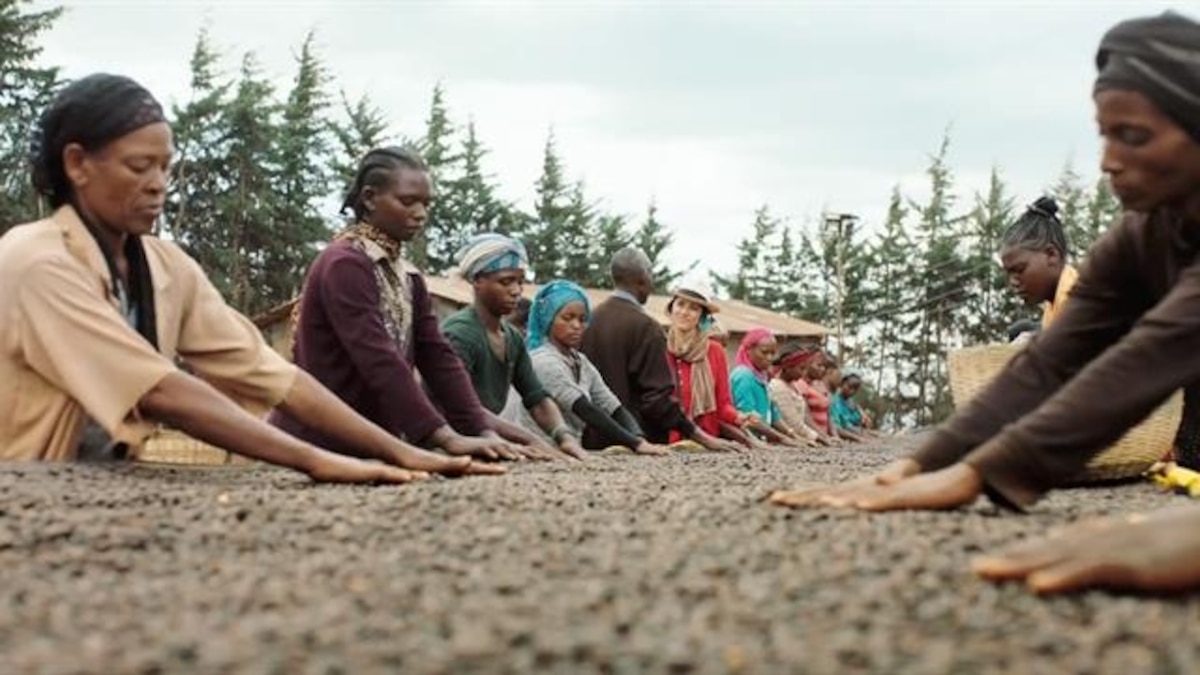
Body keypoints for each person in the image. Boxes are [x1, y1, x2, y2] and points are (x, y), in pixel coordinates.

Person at [772, 11, 1200, 594]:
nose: (1106, 161)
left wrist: (987, 470)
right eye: (1105, 134)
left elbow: (1148, 358)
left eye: (1135, 136)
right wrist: (924, 464)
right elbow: (1050, 361)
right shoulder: (1144, 235)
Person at [0, 73, 497, 483]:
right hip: (27, 481)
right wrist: (316, 459)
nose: (157, 184)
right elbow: (158, 388)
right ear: (77, 164)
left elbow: (269, 373)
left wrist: (400, 449)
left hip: (101, 478)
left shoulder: (165, 267)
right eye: (138, 166)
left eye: (165, 167)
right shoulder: (37, 262)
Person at [270, 147, 526, 462]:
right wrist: (443, 436)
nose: (420, 213)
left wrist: (482, 430)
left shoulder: (406, 274)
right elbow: (377, 357)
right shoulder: (344, 264)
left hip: (373, 440)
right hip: (319, 441)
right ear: (368, 198)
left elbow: (437, 355)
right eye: (407, 201)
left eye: (426, 203)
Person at [441, 234, 587, 461]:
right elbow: (463, 407)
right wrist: (531, 440)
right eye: (505, 281)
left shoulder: (511, 338)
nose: (516, 291)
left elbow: (536, 397)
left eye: (520, 281)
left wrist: (564, 436)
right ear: (477, 280)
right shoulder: (460, 334)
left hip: (486, 440)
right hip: (448, 443)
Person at [580, 248, 740, 452]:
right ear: (642, 278)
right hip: (640, 444)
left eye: (694, 308)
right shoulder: (648, 329)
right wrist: (701, 437)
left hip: (593, 441)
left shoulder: (589, 320)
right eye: (651, 274)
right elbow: (657, 400)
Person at [526, 280, 669, 455]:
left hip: (571, 451)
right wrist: (636, 444)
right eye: (567, 318)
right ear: (548, 319)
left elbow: (612, 407)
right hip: (540, 450)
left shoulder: (580, 361)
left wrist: (638, 435)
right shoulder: (543, 362)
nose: (577, 326)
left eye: (582, 319)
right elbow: (586, 410)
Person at [663, 281, 765, 448]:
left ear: (702, 317)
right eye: (680, 304)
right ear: (671, 308)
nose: (684, 312)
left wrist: (739, 417)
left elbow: (722, 405)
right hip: (666, 443)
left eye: (693, 308)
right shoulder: (659, 349)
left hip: (707, 445)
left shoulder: (715, 352)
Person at [999, 196, 1077, 329]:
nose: (1013, 282)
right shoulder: (1055, 302)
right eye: (1009, 274)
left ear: (1051, 255)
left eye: (1019, 270)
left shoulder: (1074, 303)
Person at [729, 328, 810, 447]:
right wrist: (782, 439)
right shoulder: (743, 376)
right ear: (748, 350)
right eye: (764, 352)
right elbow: (748, 418)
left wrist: (793, 436)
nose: (769, 358)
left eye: (773, 353)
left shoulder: (761, 377)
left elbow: (774, 415)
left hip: (761, 439)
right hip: (747, 440)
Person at [768, 343, 826, 446]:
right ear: (787, 367)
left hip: (798, 438)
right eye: (801, 369)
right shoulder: (778, 387)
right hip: (788, 440)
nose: (803, 373)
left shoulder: (792, 386)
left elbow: (801, 420)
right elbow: (793, 423)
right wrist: (819, 438)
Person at [830, 372, 874, 436]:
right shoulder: (834, 400)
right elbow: (840, 424)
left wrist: (864, 419)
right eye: (849, 387)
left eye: (855, 389)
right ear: (843, 383)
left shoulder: (851, 403)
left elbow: (862, 421)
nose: (852, 391)